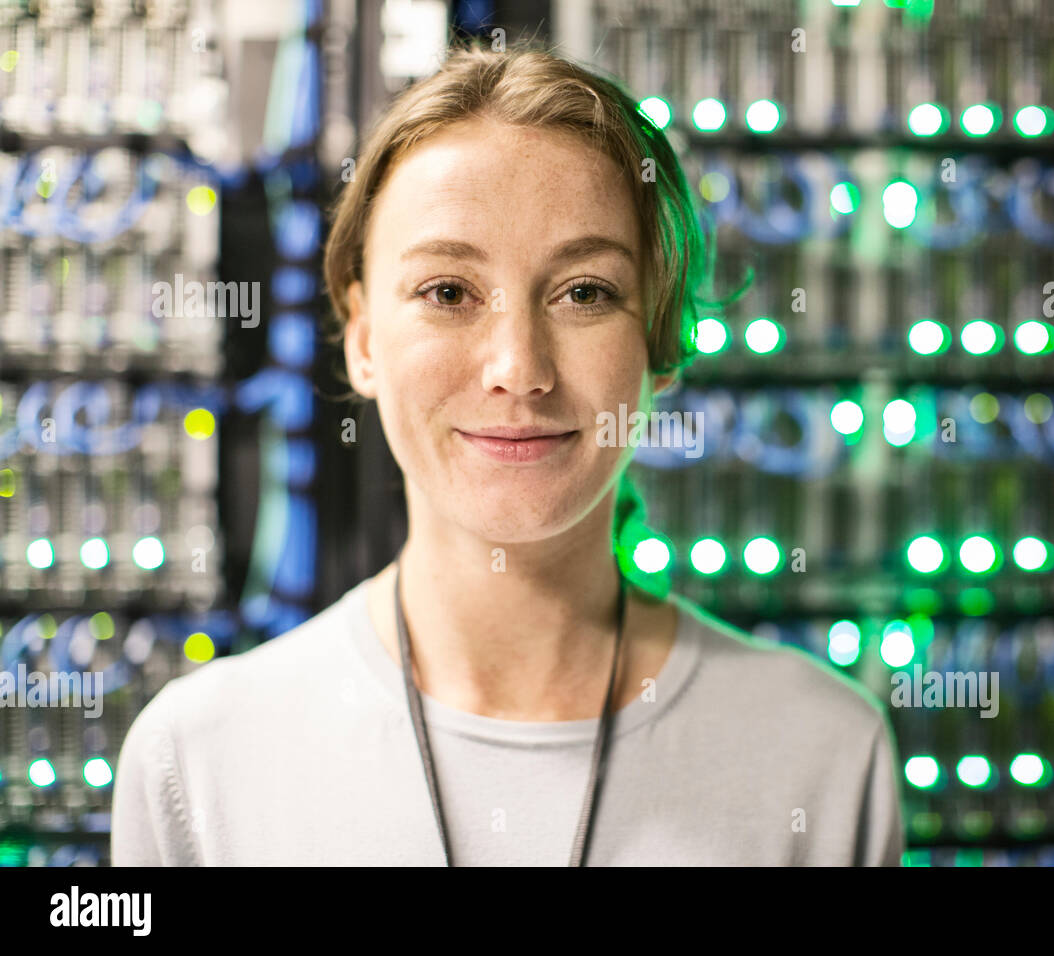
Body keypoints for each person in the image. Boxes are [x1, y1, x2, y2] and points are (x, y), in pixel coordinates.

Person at [110, 41, 904, 866]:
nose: (518, 369)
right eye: (447, 293)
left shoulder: (825, 755)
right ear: (363, 337)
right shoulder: (196, 761)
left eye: (585, 293)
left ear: (662, 345)